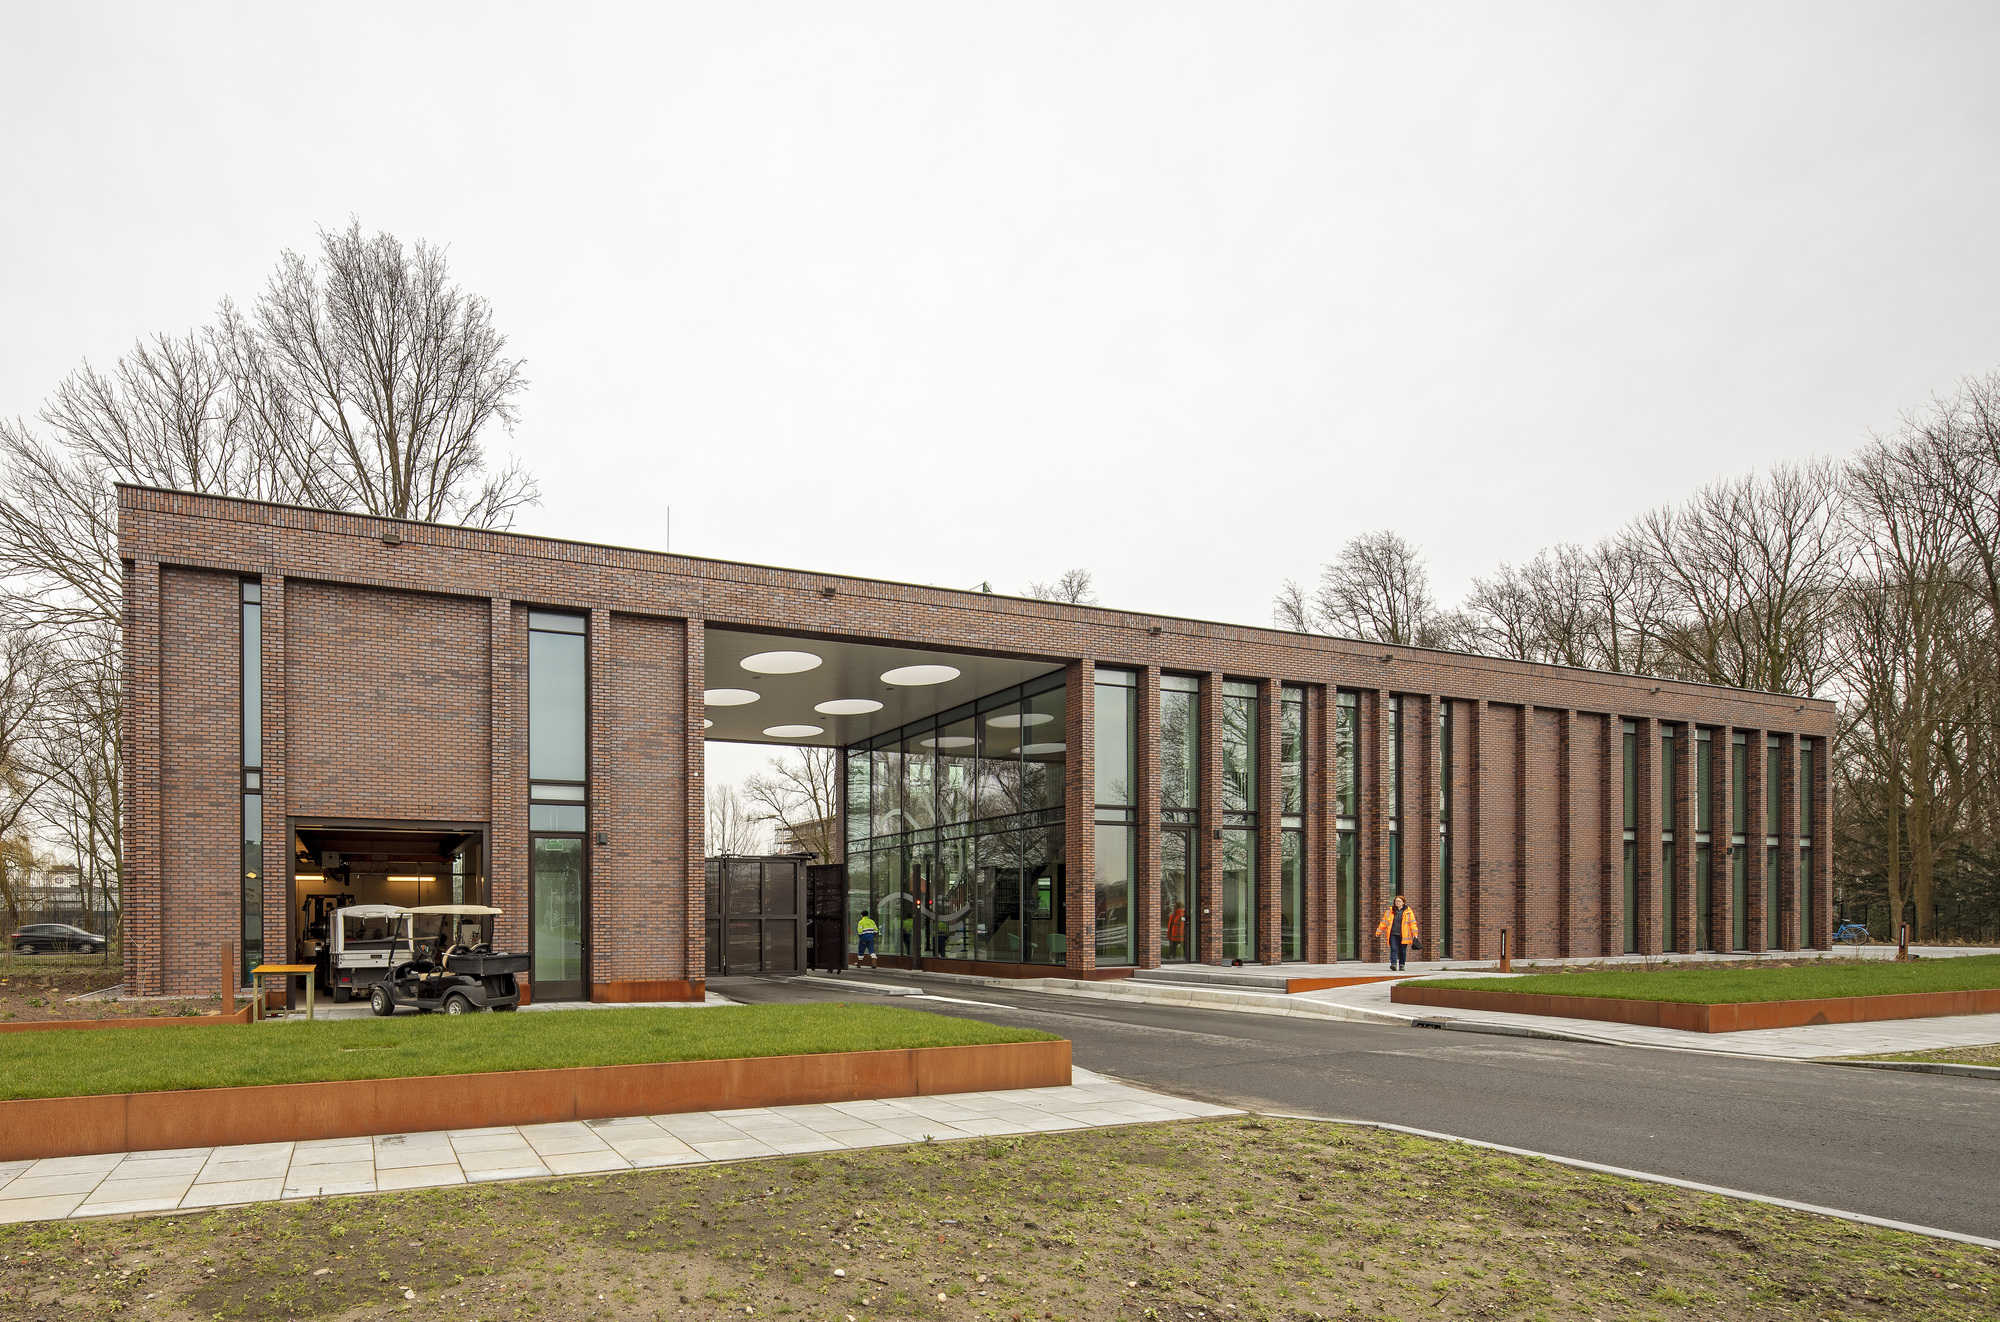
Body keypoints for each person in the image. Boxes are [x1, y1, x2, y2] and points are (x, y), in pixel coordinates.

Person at [1375, 895, 1419, 971]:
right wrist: (1379, 931)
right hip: (1393, 934)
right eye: (1396, 901)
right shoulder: (1389, 911)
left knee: (1402, 951)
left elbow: (1412, 923)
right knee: (1394, 949)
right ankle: (1393, 964)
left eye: (1399, 901)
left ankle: (1402, 965)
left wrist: (1415, 934)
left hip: (1404, 934)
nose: (1397, 903)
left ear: (1403, 902)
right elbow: (1384, 922)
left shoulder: (1408, 912)